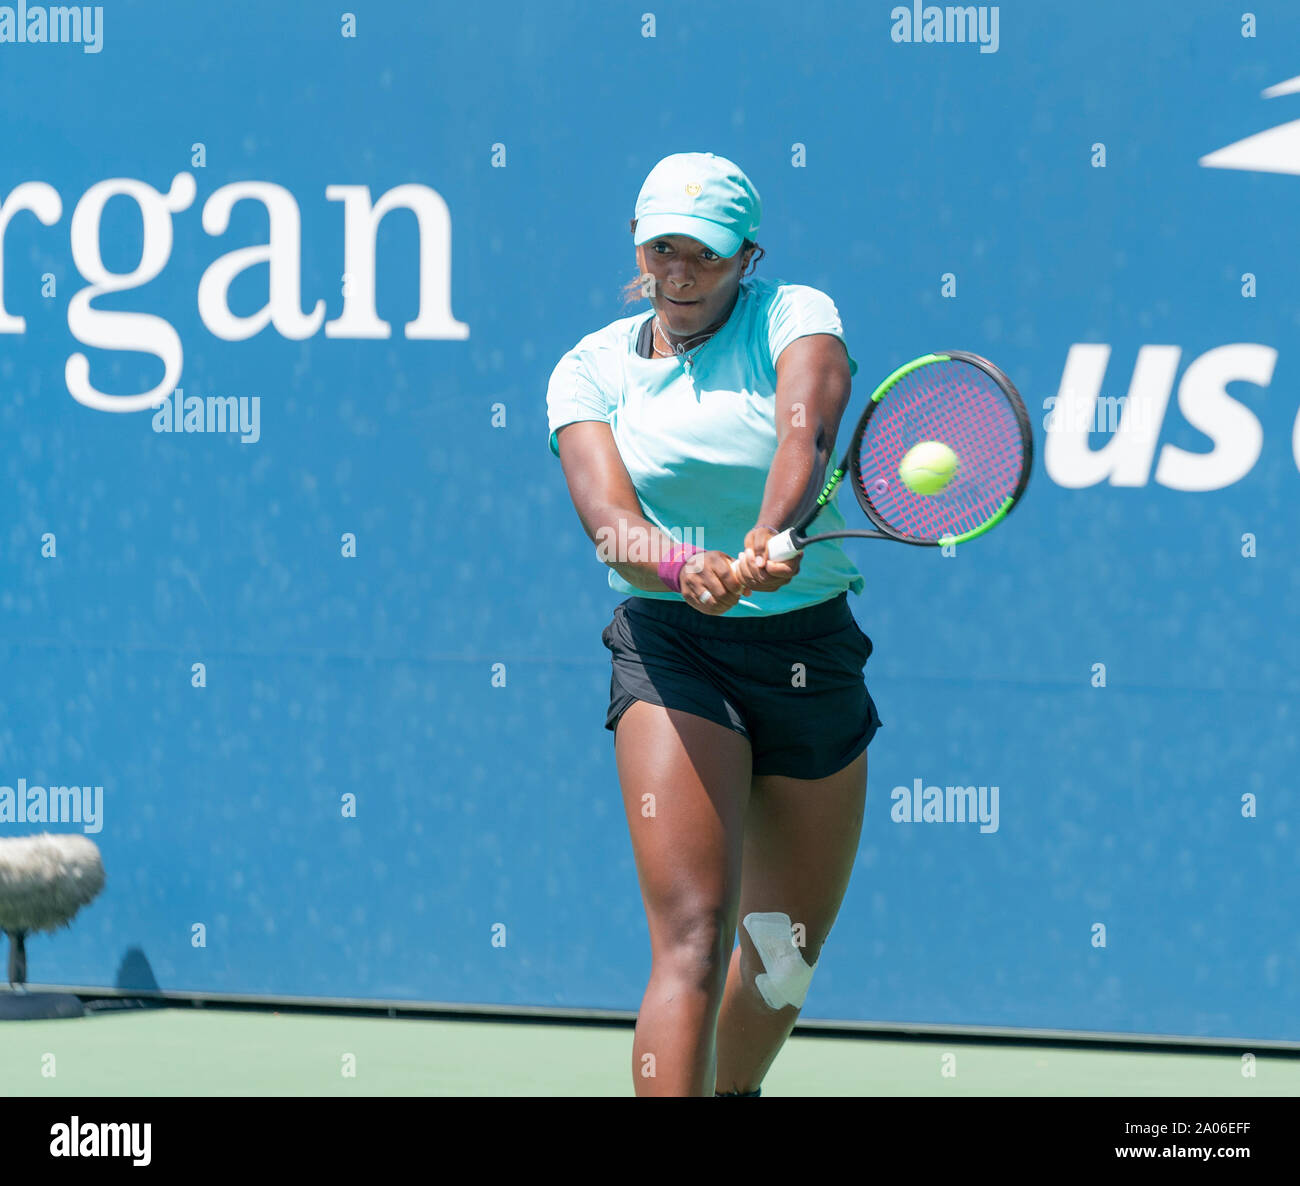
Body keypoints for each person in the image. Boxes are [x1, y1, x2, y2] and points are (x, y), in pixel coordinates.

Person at [546, 151, 883, 1097]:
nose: (682, 273)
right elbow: (611, 526)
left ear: (749, 256)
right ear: (637, 247)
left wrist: (770, 534)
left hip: (811, 652)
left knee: (784, 961)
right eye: (663, 250)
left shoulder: (796, 317)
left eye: (706, 253)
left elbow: (805, 435)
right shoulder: (589, 370)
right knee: (694, 933)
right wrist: (681, 564)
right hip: (673, 648)